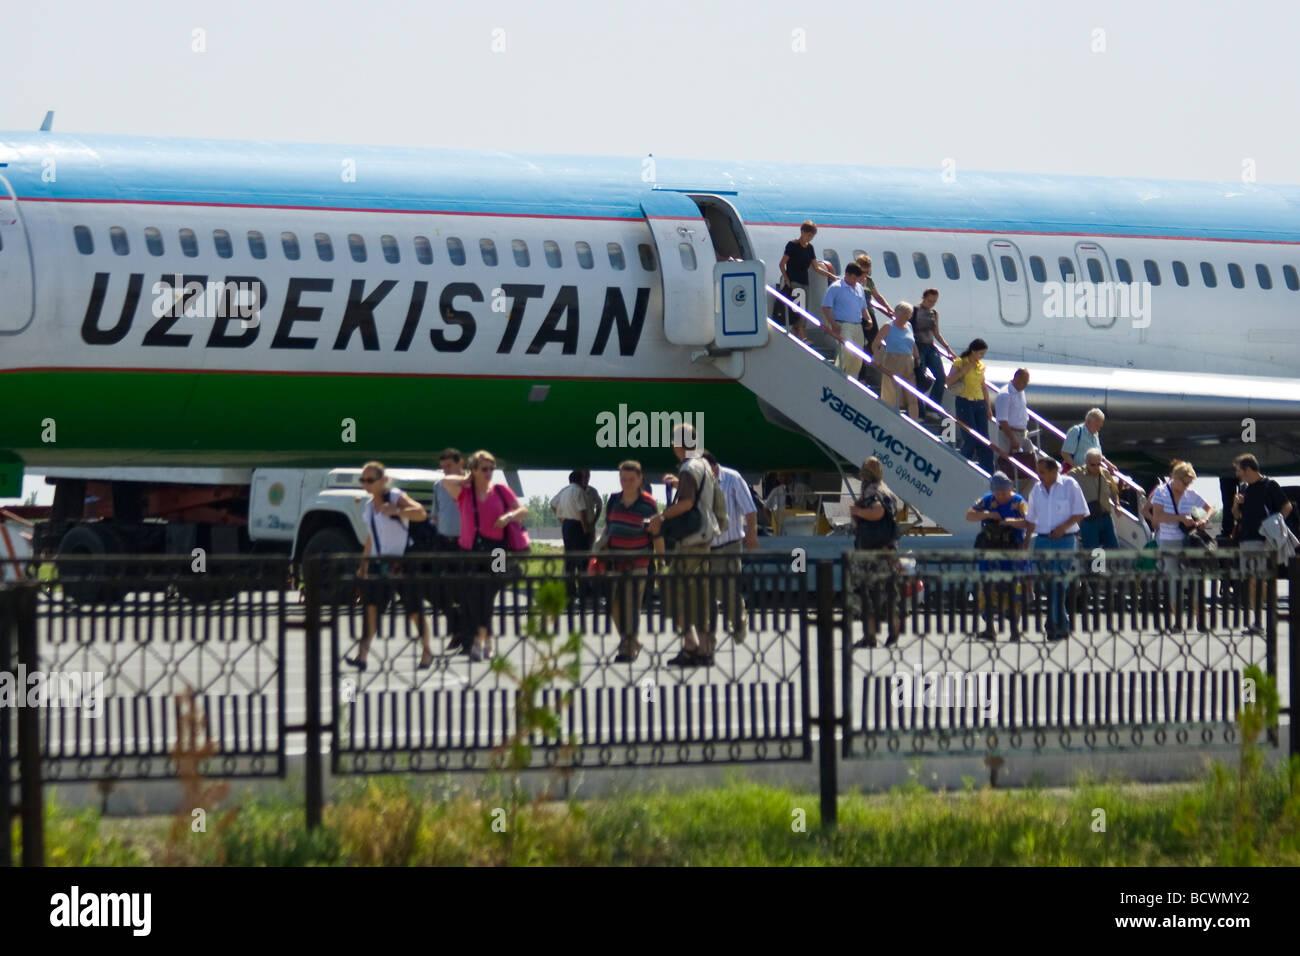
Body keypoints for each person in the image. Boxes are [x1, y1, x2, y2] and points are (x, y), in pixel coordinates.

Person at [345, 461, 435, 672]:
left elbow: (420, 513)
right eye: (363, 480)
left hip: (400, 562)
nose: (366, 484)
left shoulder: (395, 496)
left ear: (383, 480)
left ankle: (427, 651)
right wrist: (363, 566)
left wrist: (396, 511)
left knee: (414, 610)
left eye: (370, 480)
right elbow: (370, 538)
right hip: (378, 563)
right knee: (371, 609)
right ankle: (362, 656)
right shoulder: (368, 507)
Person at [441, 450, 529, 662]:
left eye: (491, 468)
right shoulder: (465, 492)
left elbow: (522, 510)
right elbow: (445, 481)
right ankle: (483, 639)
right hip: (470, 549)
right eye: (484, 469)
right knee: (472, 597)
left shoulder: (500, 490)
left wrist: (508, 516)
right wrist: (467, 478)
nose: (489, 472)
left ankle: (481, 641)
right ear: (474, 470)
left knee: (488, 595)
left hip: (497, 550)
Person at [647, 423, 719, 666]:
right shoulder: (704, 466)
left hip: (691, 539)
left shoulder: (689, 467)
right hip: (704, 535)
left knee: (678, 594)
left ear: (679, 444)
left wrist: (662, 517)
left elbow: (687, 503)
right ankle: (701, 648)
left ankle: (693, 646)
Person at [602, 460, 664, 662]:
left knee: (630, 604)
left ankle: (628, 649)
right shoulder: (613, 500)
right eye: (622, 479)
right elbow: (608, 527)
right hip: (614, 561)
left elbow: (656, 534)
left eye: (630, 479)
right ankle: (630, 640)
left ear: (639, 480)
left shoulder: (648, 503)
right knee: (613, 605)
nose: (626, 483)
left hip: (638, 561)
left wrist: (661, 562)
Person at [1023, 456, 1088, 641]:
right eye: (1038, 471)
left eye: (1042, 471)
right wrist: (1026, 540)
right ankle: (1059, 623)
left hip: (1064, 541)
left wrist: (1063, 527)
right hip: (1043, 541)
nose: (1039, 475)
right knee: (1048, 585)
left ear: (1054, 471)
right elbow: (1031, 518)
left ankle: (1055, 625)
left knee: (1058, 584)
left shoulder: (1070, 485)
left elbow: (1081, 511)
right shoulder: (1036, 489)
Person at [1230, 453, 1293, 631]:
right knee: (1250, 579)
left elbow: (1287, 506)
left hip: (1262, 539)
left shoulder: (1269, 485)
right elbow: (1237, 515)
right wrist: (1235, 504)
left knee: (1256, 578)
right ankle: (1259, 617)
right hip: (1245, 538)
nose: (1237, 474)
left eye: (1239, 470)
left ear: (1248, 469)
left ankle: (1261, 618)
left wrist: (1275, 523)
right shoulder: (1243, 488)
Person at [703, 450, 759, 644]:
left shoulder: (732, 479)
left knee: (727, 591)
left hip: (729, 545)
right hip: (705, 547)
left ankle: (739, 622)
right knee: (706, 592)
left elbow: (750, 510)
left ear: (713, 466)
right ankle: (708, 636)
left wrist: (752, 534)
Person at [966, 471, 1029, 641]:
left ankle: (1015, 629)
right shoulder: (987, 500)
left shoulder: (1018, 502)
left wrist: (1010, 522)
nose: (1001, 496)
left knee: (1012, 589)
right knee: (986, 588)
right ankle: (989, 628)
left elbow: (1029, 522)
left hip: (1011, 551)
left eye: (1004, 492)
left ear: (1010, 489)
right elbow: (969, 515)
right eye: (998, 492)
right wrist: (988, 514)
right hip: (990, 551)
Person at [1149, 460, 1209, 627]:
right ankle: (1177, 621)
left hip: (1187, 540)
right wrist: (1180, 518)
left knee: (1194, 578)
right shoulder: (1161, 492)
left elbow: (1209, 508)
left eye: (1189, 483)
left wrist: (1204, 519)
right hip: (1168, 541)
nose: (1186, 486)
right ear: (1175, 477)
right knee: (1173, 580)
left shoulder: (1191, 494)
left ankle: (1199, 619)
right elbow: (1158, 517)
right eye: (1185, 482)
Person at [849, 457, 901, 648]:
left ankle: (869, 636)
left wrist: (857, 512)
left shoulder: (872, 491)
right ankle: (894, 630)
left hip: (872, 550)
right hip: (889, 548)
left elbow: (877, 512)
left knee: (867, 593)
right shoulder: (886, 489)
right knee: (890, 591)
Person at [430, 447, 468, 652]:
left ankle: (464, 634)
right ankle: (457, 629)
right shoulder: (438, 486)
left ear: (460, 463)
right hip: (444, 543)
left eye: (449, 466)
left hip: (465, 544)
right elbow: (435, 515)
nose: (445, 470)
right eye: (443, 467)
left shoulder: (470, 484)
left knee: (464, 591)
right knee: (442, 590)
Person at [777, 220, 836, 340]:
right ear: (802, 232)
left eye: (812, 236)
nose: (810, 238)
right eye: (809, 235)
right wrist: (787, 280)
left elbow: (816, 267)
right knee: (799, 309)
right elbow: (782, 264)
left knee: (803, 308)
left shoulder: (810, 248)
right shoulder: (792, 245)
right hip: (794, 282)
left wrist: (830, 275)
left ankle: (795, 334)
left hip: (805, 283)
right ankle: (803, 336)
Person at [946, 338, 995, 473]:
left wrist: (988, 407)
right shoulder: (960, 362)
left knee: (984, 439)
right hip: (965, 402)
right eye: (980, 354)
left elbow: (983, 386)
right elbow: (948, 381)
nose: (981, 357)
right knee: (971, 438)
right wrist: (963, 371)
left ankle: (988, 471)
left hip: (979, 403)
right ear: (973, 352)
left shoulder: (981, 366)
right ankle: (961, 467)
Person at [871, 300, 921, 419]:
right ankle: (890, 420)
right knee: (892, 396)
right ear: (897, 314)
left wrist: (917, 358)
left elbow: (912, 344)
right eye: (904, 315)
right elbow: (875, 343)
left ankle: (914, 424)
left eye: (908, 315)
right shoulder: (888, 326)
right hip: (892, 362)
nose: (906, 318)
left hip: (908, 363)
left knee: (912, 396)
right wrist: (876, 354)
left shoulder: (909, 326)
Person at [821, 262, 870, 378]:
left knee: (858, 356)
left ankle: (853, 379)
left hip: (858, 326)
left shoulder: (859, 288)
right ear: (847, 274)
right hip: (843, 324)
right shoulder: (835, 287)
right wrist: (833, 324)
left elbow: (863, 307)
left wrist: (868, 319)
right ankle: (837, 374)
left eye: (857, 279)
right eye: (853, 278)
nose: (855, 281)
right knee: (847, 350)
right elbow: (825, 307)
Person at [910, 288, 954, 416]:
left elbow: (936, 332)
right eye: (930, 301)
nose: (932, 303)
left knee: (941, 377)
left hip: (930, 346)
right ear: (924, 298)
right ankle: (920, 409)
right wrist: (915, 351)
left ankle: (932, 406)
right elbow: (910, 331)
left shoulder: (934, 313)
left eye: (934, 301)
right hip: (918, 346)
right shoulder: (915, 310)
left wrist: (948, 349)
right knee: (921, 378)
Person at [551, 470, 592, 600]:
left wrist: (561, 518)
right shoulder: (578, 491)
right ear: (580, 480)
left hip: (566, 526)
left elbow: (552, 503)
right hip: (578, 526)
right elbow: (582, 512)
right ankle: (584, 590)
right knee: (582, 560)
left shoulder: (565, 491)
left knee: (570, 560)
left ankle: (569, 590)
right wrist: (586, 529)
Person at [1070, 448, 1120, 550]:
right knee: (1092, 553)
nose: (1096, 467)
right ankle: (1094, 566)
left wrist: (1117, 504)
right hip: (1088, 520)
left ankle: (1111, 566)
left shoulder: (1105, 473)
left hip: (1106, 517)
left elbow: (1114, 491)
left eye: (1099, 464)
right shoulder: (1076, 474)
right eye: (1093, 465)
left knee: (1114, 548)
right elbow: (1060, 482)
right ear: (1086, 462)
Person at [853, 254, 890, 391]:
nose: (864, 274)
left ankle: (873, 364)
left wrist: (888, 308)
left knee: (875, 342)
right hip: (858, 315)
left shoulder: (868, 281)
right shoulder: (853, 281)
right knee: (861, 344)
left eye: (867, 272)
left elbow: (877, 296)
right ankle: (862, 375)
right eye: (862, 272)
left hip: (870, 314)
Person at [993, 369, 1033, 491]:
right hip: (1009, 434)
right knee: (1006, 467)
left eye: (1027, 382)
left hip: (1022, 434)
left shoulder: (1021, 392)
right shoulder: (1005, 394)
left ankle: (1023, 496)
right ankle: (1003, 492)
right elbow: (1002, 420)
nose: (1025, 385)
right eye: (1024, 382)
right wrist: (1012, 439)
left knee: (1031, 467)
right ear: (1016, 378)